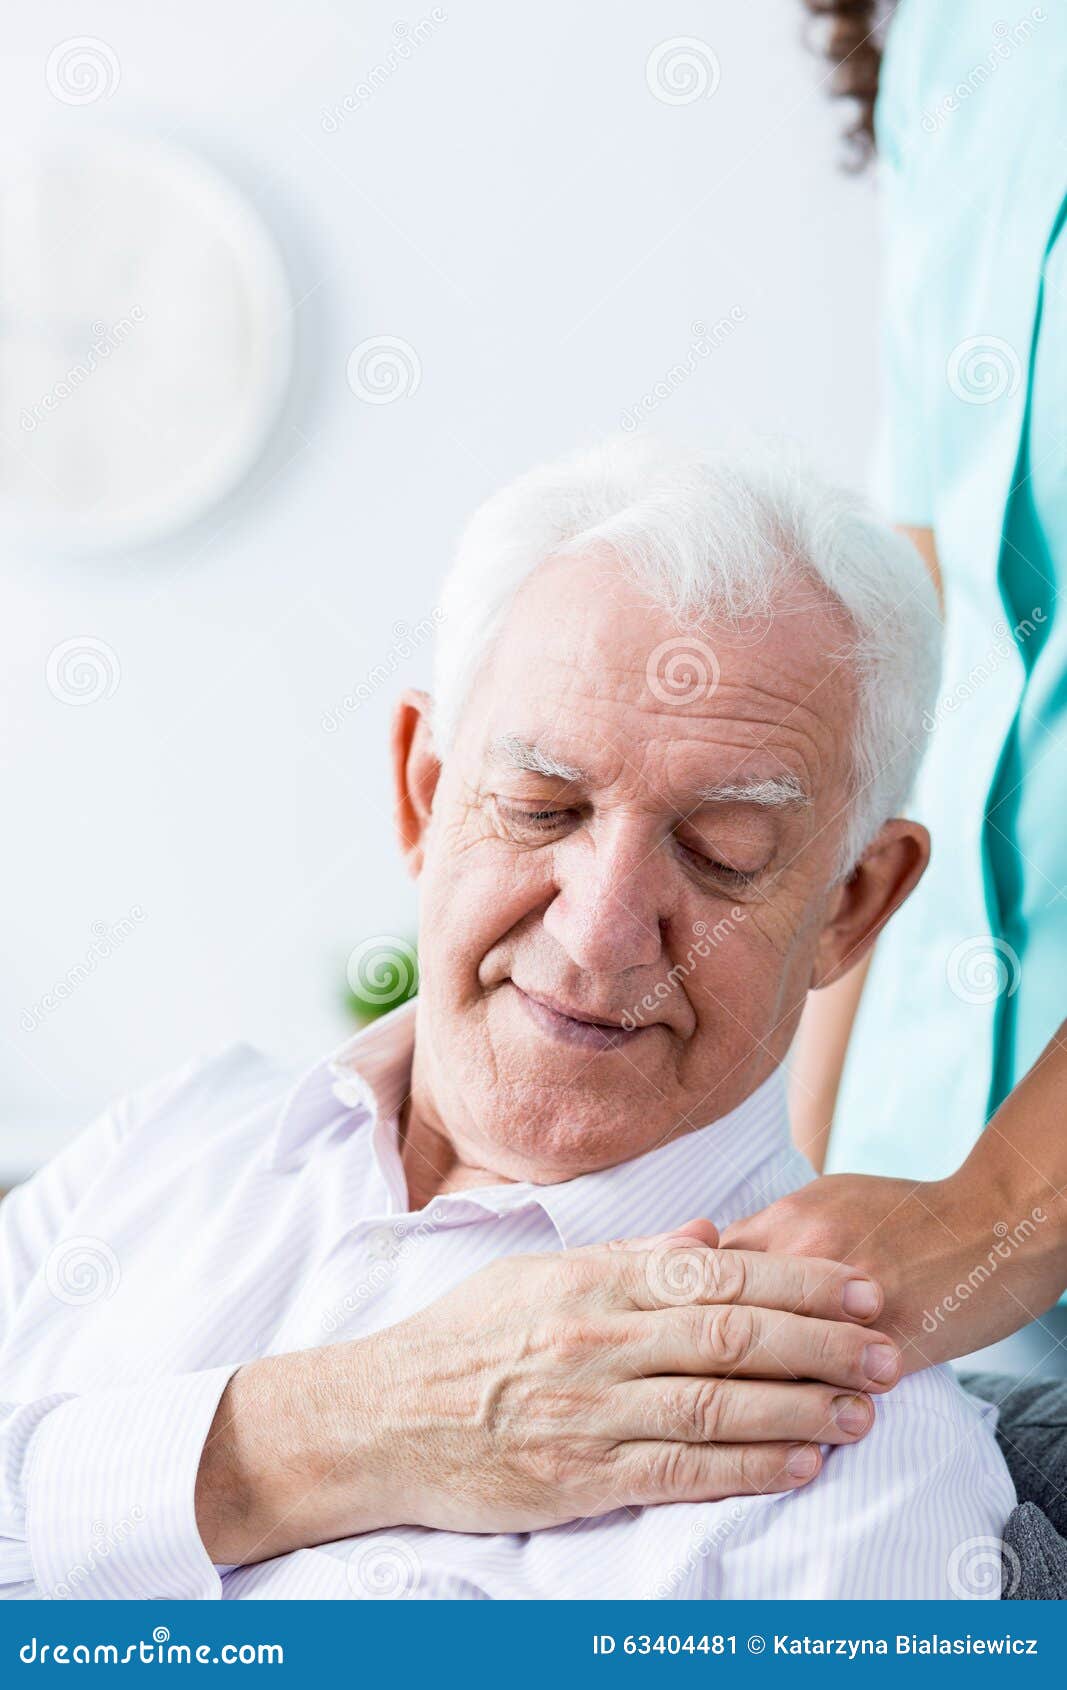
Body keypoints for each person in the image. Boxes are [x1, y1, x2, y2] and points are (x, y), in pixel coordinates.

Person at [0, 440, 1013, 1600]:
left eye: (720, 854)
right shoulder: (170, 1139)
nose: (597, 933)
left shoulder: (853, 1458)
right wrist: (321, 1437)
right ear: (423, 790)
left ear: (853, 903)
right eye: (542, 808)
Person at [731, 0, 1067, 1380]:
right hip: (912, 1190)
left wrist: (1001, 1211)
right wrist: (793, 1151)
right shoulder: (950, 34)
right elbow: (917, 665)